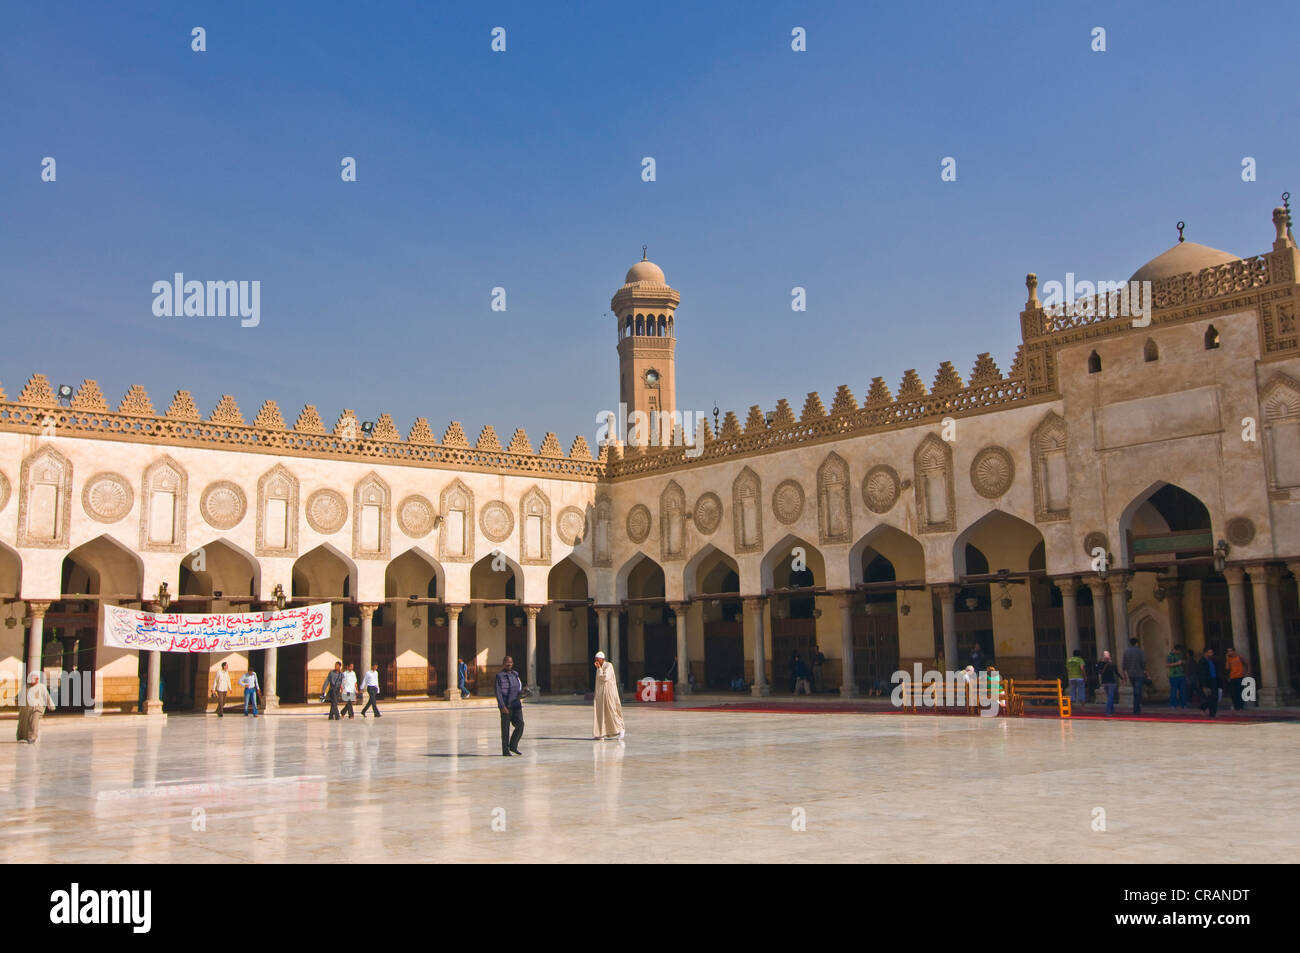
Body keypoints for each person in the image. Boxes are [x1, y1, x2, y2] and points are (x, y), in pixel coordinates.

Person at [495, 655, 525, 755]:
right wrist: (502, 706)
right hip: (506, 706)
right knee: (505, 729)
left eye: (511, 662)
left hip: (516, 705)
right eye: (507, 662)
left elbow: (519, 689)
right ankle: (505, 750)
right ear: (503, 663)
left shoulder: (515, 675)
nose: (509, 664)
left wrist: (524, 693)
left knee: (520, 724)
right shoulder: (499, 676)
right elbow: (498, 692)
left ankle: (513, 746)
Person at [593, 650, 625, 739]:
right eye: (596, 659)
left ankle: (620, 729)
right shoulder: (598, 667)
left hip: (609, 693)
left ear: (602, 659)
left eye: (597, 659)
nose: (596, 661)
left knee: (612, 711)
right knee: (601, 713)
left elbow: (605, 677)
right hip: (601, 694)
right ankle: (601, 733)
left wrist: (599, 668)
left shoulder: (608, 665)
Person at [17, 673, 54, 743]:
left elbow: (47, 696)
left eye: (36, 679)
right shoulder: (26, 687)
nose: (35, 681)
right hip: (25, 708)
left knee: (33, 722)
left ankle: (32, 737)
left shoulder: (41, 687)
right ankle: (22, 736)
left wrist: (51, 705)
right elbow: (19, 697)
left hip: (37, 707)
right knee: (23, 723)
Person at [1121, 637, 1146, 715]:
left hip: (1130, 674)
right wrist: (1145, 670)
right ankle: (1136, 708)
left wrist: (1124, 674)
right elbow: (1143, 662)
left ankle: (1136, 708)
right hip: (1139, 673)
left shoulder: (1126, 651)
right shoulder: (1140, 651)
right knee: (1137, 691)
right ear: (1136, 643)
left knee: (1136, 690)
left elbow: (1123, 664)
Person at [1197, 648, 1221, 718]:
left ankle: (1213, 713)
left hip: (1213, 681)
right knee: (1209, 697)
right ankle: (1202, 708)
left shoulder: (1212, 660)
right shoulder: (1202, 662)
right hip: (1207, 682)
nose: (1211, 654)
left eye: (1212, 652)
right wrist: (1204, 686)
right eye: (1210, 652)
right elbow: (1201, 675)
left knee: (1214, 697)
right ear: (1205, 653)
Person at [1097, 651, 1118, 715]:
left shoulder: (1100, 663)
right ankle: (1108, 711)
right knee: (1110, 697)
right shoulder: (1112, 664)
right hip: (1111, 682)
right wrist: (1122, 678)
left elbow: (1098, 671)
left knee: (1109, 696)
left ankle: (1112, 710)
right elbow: (1116, 672)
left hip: (1105, 682)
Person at [1166, 643, 1187, 709]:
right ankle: (1173, 704)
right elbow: (1167, 665)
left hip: (1181, 674)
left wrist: (1183, 662)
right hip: (1173, 675)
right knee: (1173, 691)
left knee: (1182, 691)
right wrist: (1177, 663)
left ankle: (1183, 704)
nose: (1179, 652)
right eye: (1178, 651)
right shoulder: (1169, 656)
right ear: (1175, 650)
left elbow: (1184, 662)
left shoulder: (1180, 655)